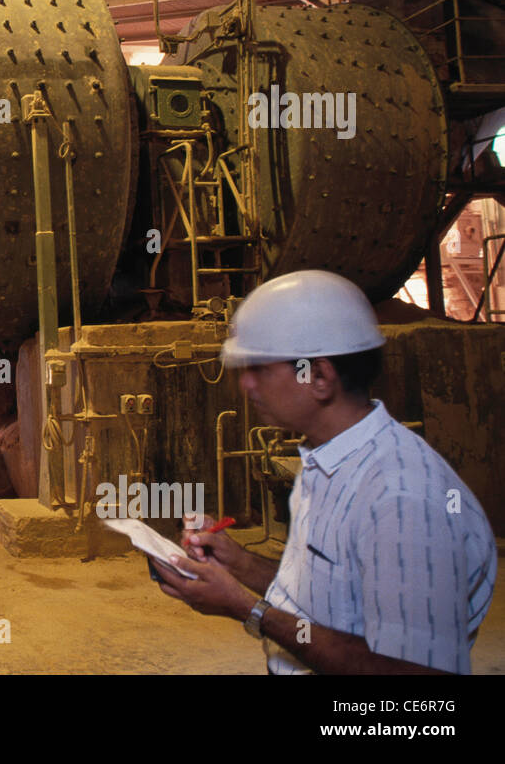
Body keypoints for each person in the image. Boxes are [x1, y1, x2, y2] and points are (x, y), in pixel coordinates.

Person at [149, 269, 496, 674]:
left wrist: (247, 608)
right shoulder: (326, 463)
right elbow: (333, 597)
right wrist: (237, 563)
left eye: (259, 368)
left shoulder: (403, 499)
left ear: (318, 376)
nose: (246, 384)